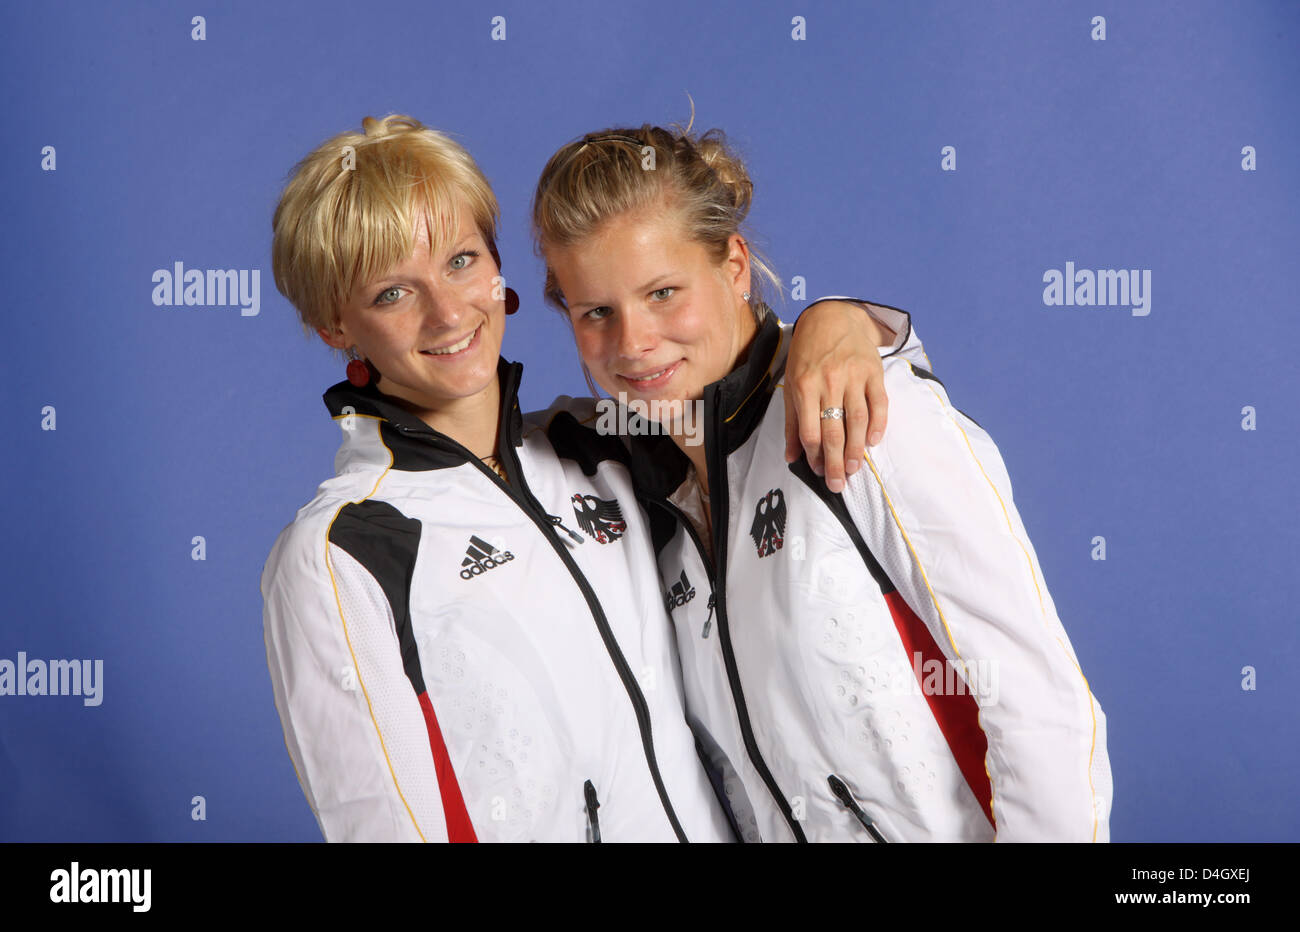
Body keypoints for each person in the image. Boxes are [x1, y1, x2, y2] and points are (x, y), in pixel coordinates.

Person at [260, 114, 906, 841]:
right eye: (391, 294)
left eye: (461, 261)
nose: (447, 312)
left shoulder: (602, 440)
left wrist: (842, 320)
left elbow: (742, 387)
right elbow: (380, 826)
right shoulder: (341, 553)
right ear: (333, 326)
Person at [533, 123, 1113, 842]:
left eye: (662, 292)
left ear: (735, 266)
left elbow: (1040, 706)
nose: (633, 342)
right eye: (596, 312)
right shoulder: (639, 491)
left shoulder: (860, 410)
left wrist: (842, 320)